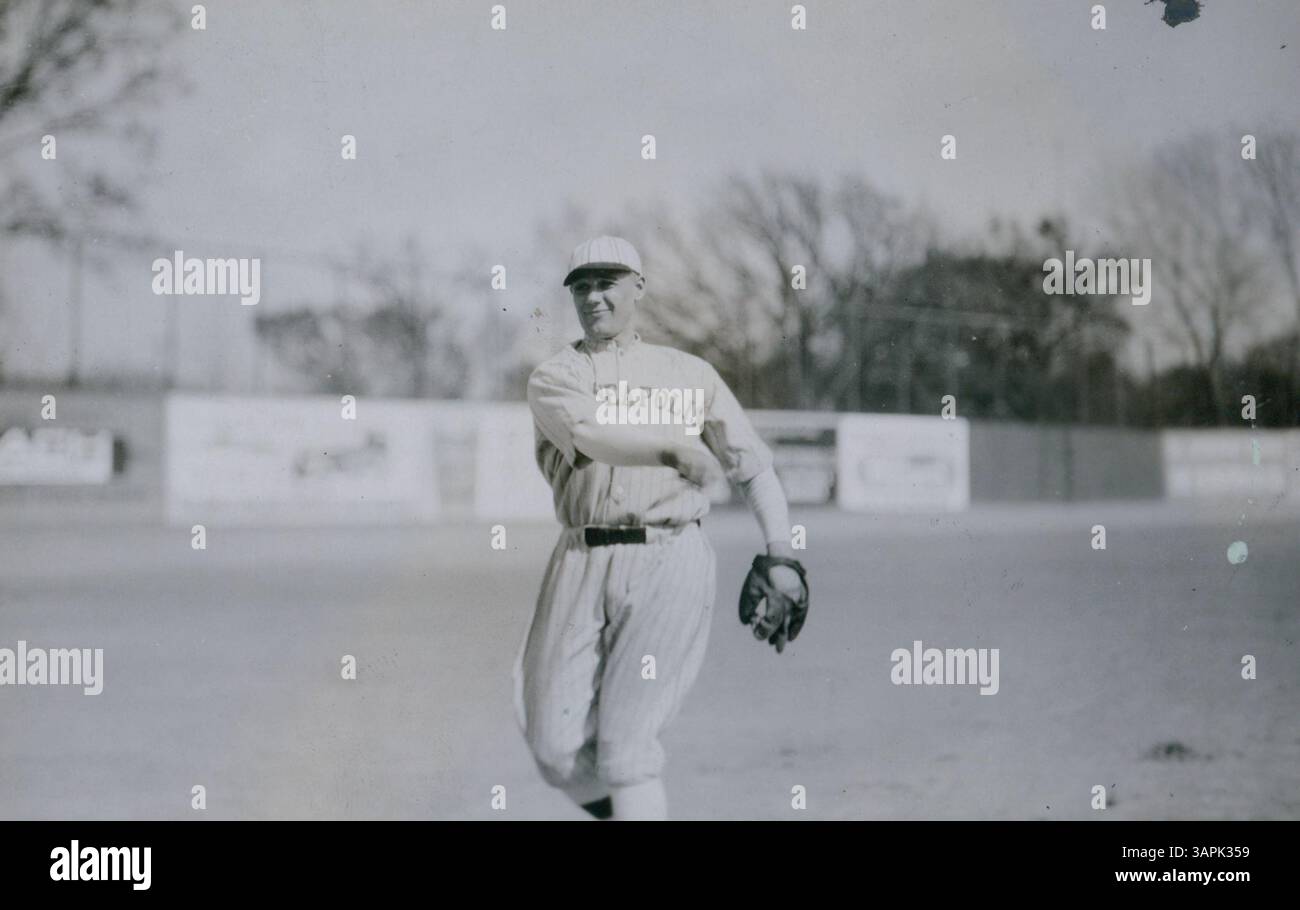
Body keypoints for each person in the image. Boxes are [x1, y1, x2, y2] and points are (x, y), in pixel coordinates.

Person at [514, 235, 805, 820]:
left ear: (638, 288)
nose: (593, 297)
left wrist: (783, 555)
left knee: (627, 749)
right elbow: (593, 436)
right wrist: (671, 449)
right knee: (552, 749)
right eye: (582, 287)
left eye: (607, 283)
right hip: (581, 557)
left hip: (671, 557)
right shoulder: (555, 376)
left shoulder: (689, 374)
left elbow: (754, 468)